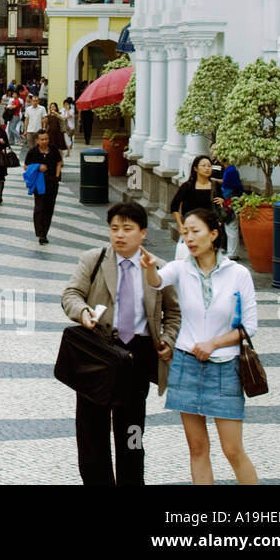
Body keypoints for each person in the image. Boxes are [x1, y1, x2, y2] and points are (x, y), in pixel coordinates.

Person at [62, 201, 180, 486]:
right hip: (99, 354)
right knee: (91, 435)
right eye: (114, 228)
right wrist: (83, 312)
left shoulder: (158, 269)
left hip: (136, 357)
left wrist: (167, 339)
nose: (119, 235)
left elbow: (174, 313)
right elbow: (71, 294)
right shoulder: (95, 259)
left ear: (143, 232)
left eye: (127, 229)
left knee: (132, 435)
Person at [141, 207, 258, 485]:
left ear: (214, 234)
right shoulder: (180, 269)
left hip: (226, 367)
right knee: (197, 448)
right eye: (186, 233)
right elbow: (158, 282)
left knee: (232, 450)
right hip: (186, 365)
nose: (189, 238)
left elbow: (249, 327)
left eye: (196, 231)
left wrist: (214, 343)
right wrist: (149, 270)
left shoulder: (238, 273)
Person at [170, 156, 216, 261]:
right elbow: (174, 206)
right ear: (195, 168)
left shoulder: (215, 187)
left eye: (209, 166)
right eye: (203, 166)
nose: (207, 168)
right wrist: (180, 225)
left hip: (208, 230)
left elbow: (220, 206)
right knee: (187, 258)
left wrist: (222, 202)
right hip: (190, 228)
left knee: (207, 258)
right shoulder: (188, 186)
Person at [24, 129, 63, 244]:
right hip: (39, 183)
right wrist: (37, 167)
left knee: (49, 208)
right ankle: (39, 231)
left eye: (46, 139)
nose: (44, 141)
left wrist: (57, 176)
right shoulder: (33, 152)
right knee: (39, 207)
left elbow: (59, 162)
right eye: (42, 139)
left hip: (52, 182)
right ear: (37, 140)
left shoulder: (54, 149)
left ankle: (44, 234)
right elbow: (26, 167)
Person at [217, 157, 246, 260]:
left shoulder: (230, 171)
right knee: (230, 226)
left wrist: (228, 202)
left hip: (231, 200)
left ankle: (232, 252)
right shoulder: (230, 169)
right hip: (231, 199)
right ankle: (231, 251)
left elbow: (231, 188)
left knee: (231, 225)